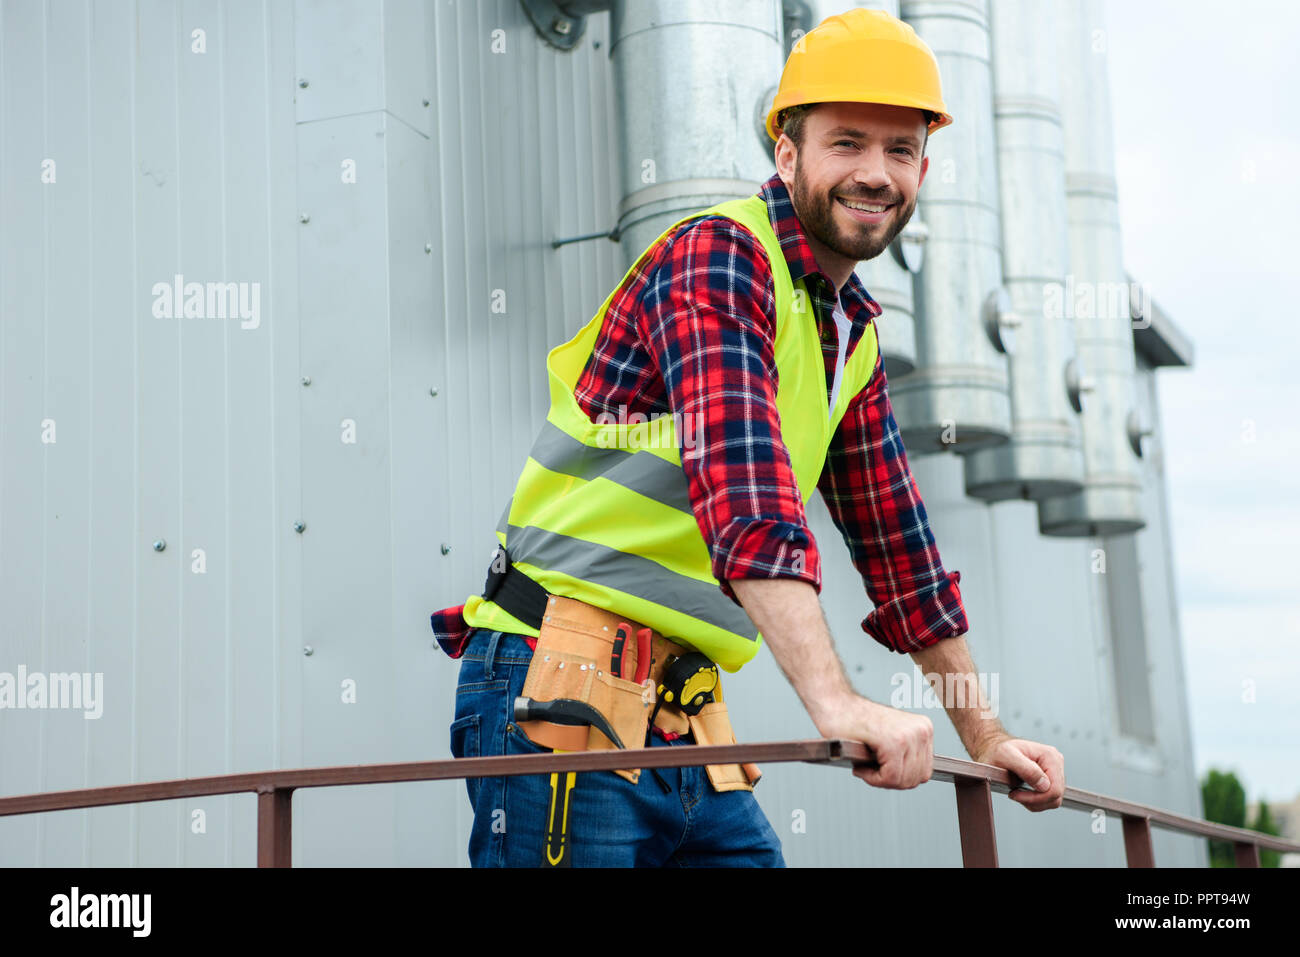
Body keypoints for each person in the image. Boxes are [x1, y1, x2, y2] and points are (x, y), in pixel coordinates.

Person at [429, 7, 1064, 868]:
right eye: (847, 143)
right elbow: (746, 493)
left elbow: (900, 553)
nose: (876, 173)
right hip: (554, 681)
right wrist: (835, 702)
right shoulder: (720, 257)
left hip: (679, 706)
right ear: (787, 154)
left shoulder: (851, 330)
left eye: (900, 150)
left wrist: (984, 734)